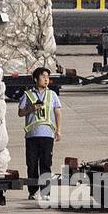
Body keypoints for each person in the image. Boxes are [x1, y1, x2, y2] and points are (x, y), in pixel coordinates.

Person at [18, 66, 62, 199]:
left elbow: (58, 112)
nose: (46, 80)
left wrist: (59, 130)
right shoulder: (28, 95)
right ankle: (32, 191)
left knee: (46, 164)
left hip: (47, 135)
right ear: (36, 79)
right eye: (43, 77)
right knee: (31, 164)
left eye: (48, 77)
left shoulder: (52, 95)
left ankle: (45, 192)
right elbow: (20, 112)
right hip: (32, 135)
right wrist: (31, 108)